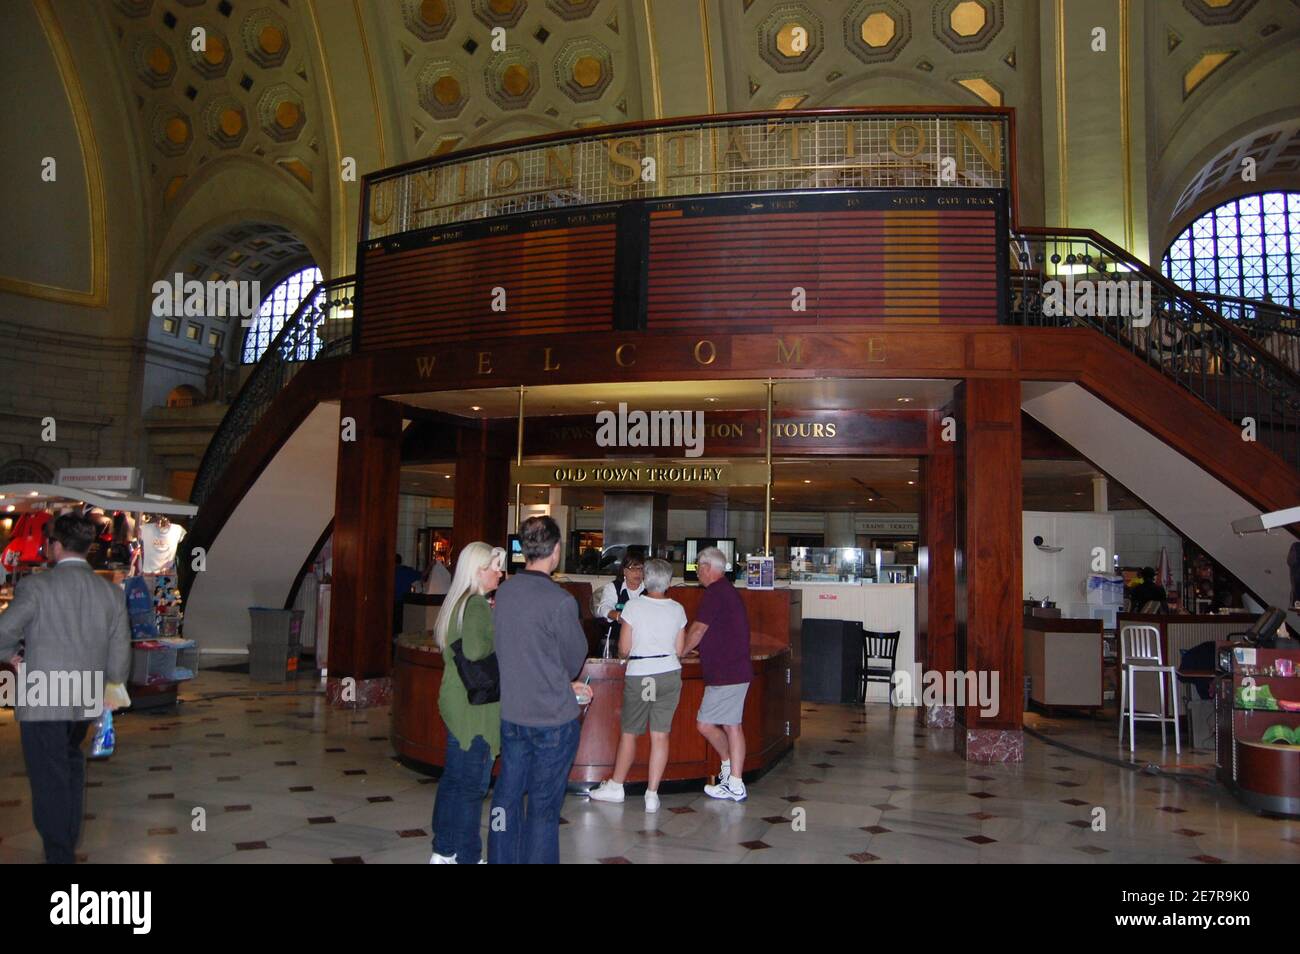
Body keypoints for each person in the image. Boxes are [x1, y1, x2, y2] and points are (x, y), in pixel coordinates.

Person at [0, 513, 131, 863]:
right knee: (72, 767)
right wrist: (110, 686)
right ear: (88, 547)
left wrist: (12, 657)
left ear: (55, 546)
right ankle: (66, 843)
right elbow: (119, 662)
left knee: (49, 779)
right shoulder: (110, 593)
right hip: (85, 696)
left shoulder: (36, 587)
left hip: (43, 696)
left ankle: (59, 855)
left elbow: (3, 632)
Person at [488, 516, 592, 864]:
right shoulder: (560, 601)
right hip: (552, 720)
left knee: (506, 798)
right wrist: (559, 679)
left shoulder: (504, 592)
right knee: (544, 811)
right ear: (556, 551)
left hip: (512, 714)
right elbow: (574, 657)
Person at [587, 558, 685, 812]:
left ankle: (617, 786)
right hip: (669, 673)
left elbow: (624, 649)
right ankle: (652, 794)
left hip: (641, 673)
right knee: (661, 736)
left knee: (630, 733)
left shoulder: (634, 607)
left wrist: (626, 655)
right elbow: (680, 649)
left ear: (647, 578)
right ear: (668, 582)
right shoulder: (678, 609)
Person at [429, 542, 506, 864]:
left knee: (454, 780)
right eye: (496, 567)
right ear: (479, 570)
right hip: (474, 705)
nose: (501, 572)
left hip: (456, 699)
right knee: (471, 786)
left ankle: (443, 850)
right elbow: (475, 651)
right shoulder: (475, 605)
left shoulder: (458, 601)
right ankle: (469, 856)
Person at [682, 546, 751, 802]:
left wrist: (681, 652)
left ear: (709, 568)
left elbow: (698, 629)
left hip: (727, 673)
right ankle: (731, 776)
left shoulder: (715, 593)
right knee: (730, 725)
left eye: (699, 566)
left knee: (708, 724)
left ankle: (733, 779)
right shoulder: (726, 592)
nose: (697, 571)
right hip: (732, 670)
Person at [593, 554, 646, 653]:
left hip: (642, 643)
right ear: (624, 571)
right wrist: (619, 616)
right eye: (633, 569)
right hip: (616, 641)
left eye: (641, 569)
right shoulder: (613, 587)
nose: (638, 573)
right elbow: (603, 608)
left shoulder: (648, 590)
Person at [393, 553, 421, 635]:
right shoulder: (407, 571)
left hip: (392, 603)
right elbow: (422, 575)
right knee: (401, 627)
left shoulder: (391, 571)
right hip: (404, 604)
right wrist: (430, 566)